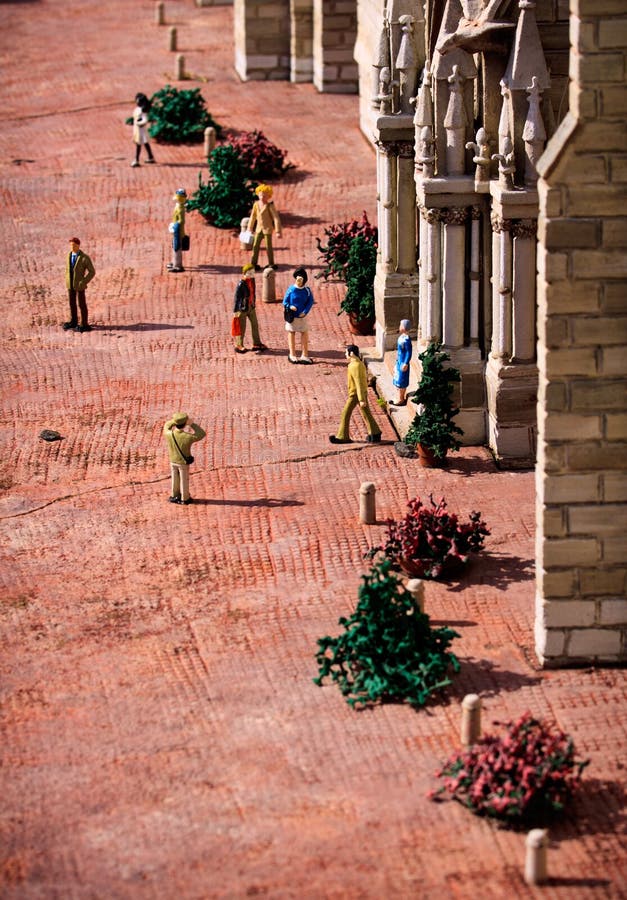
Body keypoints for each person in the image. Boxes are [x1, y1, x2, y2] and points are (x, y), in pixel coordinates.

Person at [329, 345, 382, 444]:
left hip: (356, 394)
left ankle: (342, 436)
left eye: (346, 353)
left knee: (345, 413)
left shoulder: (354, 366)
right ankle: (375, 432)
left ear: (351, 353)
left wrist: (361, 399)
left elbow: (358, 382)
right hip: (359, 393)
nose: (345, 355)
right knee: (366, 413)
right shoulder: (359, 364)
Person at [163, 412, 206, 505]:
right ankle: (185, 497)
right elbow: (201, 434)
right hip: (183, 462)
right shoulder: (187, 437)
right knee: (184, 479)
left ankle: (174, 495)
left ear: (175, 424)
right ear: (184, 424)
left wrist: (174, 421)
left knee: (175, 478)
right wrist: (191, 424)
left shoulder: (168, 434)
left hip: (173, 460)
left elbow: (166, 425)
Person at [282, 267, 314, 364]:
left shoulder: (307, 290)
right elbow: (285, 302)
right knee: (291, 332)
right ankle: (292, 354)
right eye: (297, 279)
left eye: (301, 279)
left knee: (304, 332)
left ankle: (304, 355)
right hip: (292, 316)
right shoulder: (291, 290)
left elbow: (310, 301)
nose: (299, 281)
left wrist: (305, 311)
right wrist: (290, 306)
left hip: (302, 317)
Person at [63, 237, 96, 333]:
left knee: (81, 304)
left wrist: (84, 281)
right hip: (70, 284)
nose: (72, 247)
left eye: (74, 245)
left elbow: (92, 272)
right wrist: (67, 279)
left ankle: (84, 323)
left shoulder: (84, 258)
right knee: (72, 303)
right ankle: (73, 321)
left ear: (78, 245)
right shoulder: (68, 256)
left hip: (79, 284)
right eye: (71, 245)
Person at [233, 264, 267, 354]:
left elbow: (253, 293)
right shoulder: (241, 283)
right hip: (242, 308)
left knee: (255, 325)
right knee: (241, 327)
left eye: (253, 272)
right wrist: (236, 310)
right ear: (244, 273)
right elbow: (237, 298)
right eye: (249, 273)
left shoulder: (252, 280)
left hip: (251, 307)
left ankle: (256, 343)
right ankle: (239, 344)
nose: (252, 274)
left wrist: (253, 303)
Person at [249, 184, 281, 271]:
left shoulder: (270, 206)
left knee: (268, 247)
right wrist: (250, 227)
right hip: (259, 229)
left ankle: (271, 263)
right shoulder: (256, 205)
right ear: (258, 195)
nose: (262, 197)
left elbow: (276, 218)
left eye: (264, 195)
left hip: (267, 229)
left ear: (268, 196)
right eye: (260, 195)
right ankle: (253, 263)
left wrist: (278, 231)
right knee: (255, 246)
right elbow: (253, 216)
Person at [390, 319, 412, 406]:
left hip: (403, 363)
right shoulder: (402, 337)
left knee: (401, 380)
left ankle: (401, 398)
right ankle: (399, 396)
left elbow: (408, 352)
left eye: (400, 325)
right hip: (399, 361)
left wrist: (406, 363)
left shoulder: (406, 340)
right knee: (397, 378)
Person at [131, 93, 156, 167]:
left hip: (140, 130)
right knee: (145, 143)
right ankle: (150, 157)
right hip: (137, 129)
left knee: (139, 144)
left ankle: (136, 160)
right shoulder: (138, 109)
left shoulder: (142, 111)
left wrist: (139, 123)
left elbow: (145, 120)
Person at [168, 188, 187, 273]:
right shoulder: (178, 206)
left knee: (177, 248)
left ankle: (178, 265)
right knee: (174, 246)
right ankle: (174, 262)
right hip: (175, 230)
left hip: (178, 231)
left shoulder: (180, 209)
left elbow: (181, 221)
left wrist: (175, 226)